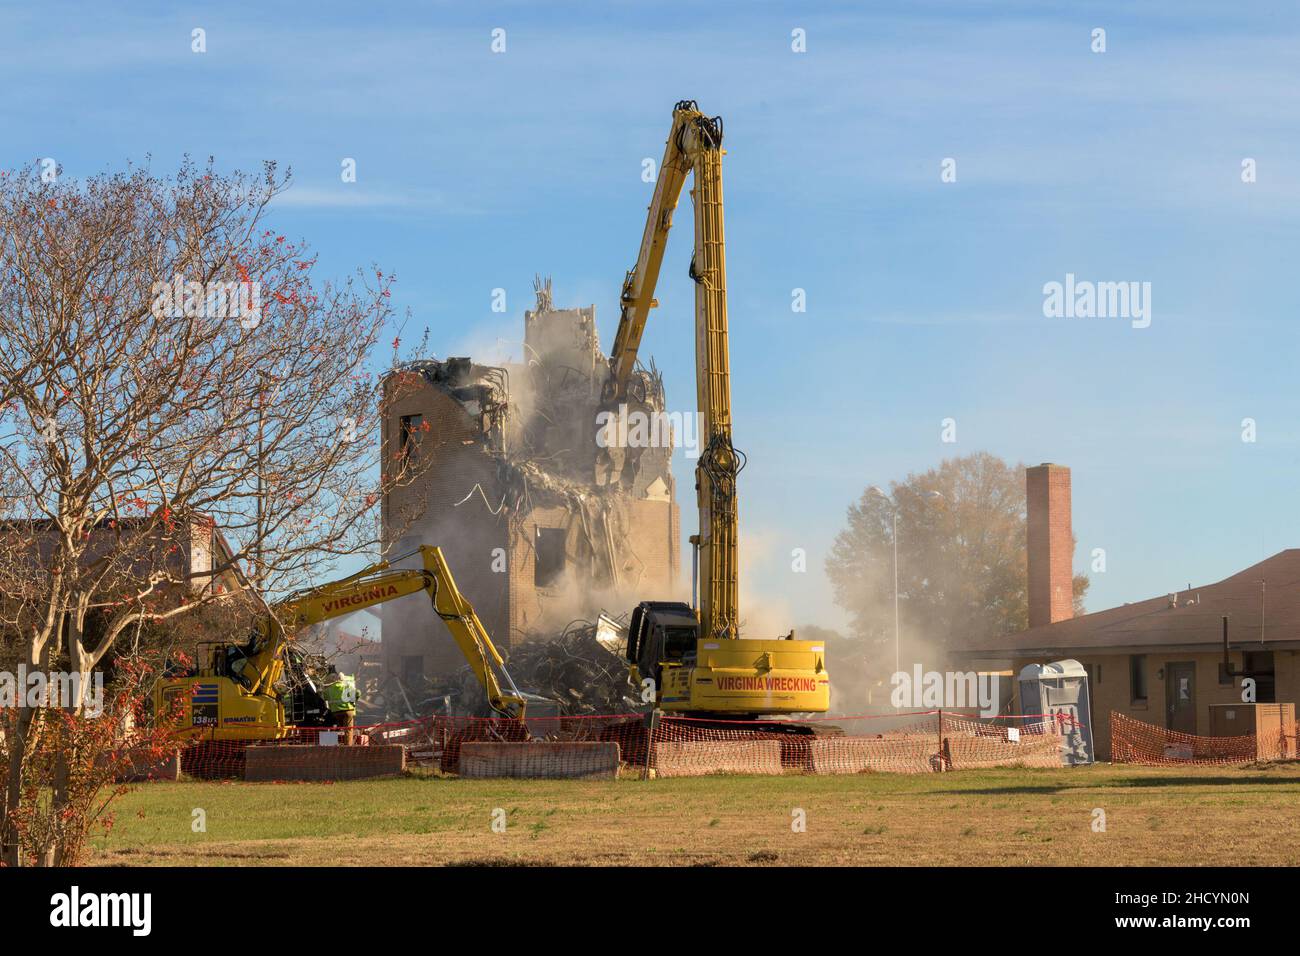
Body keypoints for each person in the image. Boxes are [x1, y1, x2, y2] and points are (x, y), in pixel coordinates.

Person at [321, 666, 357, 744]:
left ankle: (337, 741)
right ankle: (348, 747)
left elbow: (324, 697)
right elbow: (358, 693)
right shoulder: (348, 686)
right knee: (348, 729)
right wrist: (355, 700)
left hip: (336, 712)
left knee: (340, 727)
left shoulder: (330, 688)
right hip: (348, 710)